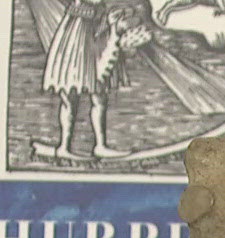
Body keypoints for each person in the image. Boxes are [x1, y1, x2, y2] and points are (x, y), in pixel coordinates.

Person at [40, 0, 151, 158]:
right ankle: (64, 147)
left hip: (99, 27)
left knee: (100, 93)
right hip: (78, 31)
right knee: (70, 93)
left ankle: (100, 145)